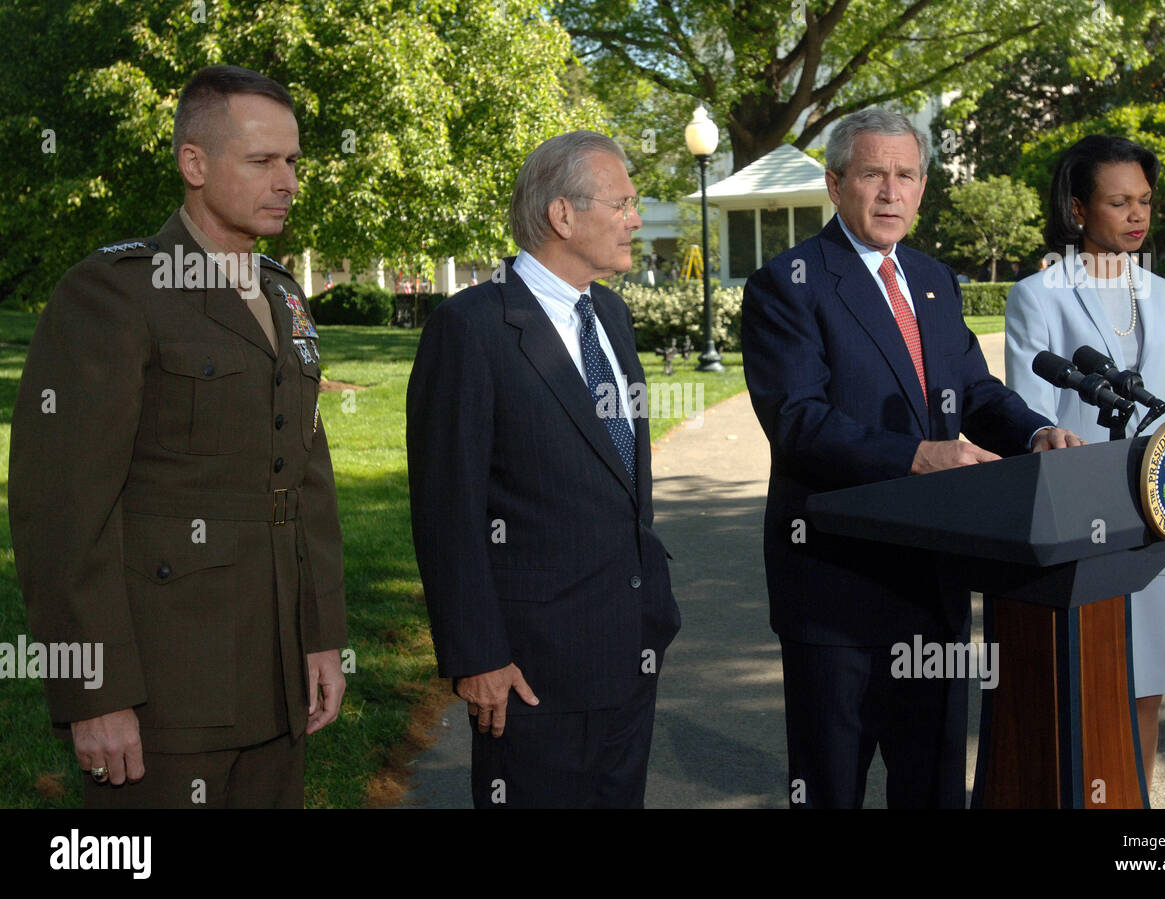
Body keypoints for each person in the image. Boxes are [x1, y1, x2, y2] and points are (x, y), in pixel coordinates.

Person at [8, 65, 347, 808]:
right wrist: (93, 690)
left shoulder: (283, 293)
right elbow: (61, 512)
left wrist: (321, 637)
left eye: (292, 161)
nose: (286, 180)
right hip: (166, 691)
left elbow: (305, 481)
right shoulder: (113, 292)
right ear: (194, 163)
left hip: (276, 677)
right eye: (261, 161)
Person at [742, 108, 1082, 809]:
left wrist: (1036, 434)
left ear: (924, 186)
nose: (891, 192)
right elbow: (798, 422)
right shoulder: (788, 283)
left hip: (935, 585)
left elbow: (978, 391)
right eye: (873, 174)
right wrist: (917, 456)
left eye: (906, 175)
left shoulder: (933, 279)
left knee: (932, 790)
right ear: (836, 185)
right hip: (836, 590)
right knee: (833, 788)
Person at [407, 131, 679, 808]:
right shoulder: (470, 328)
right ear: (563, 216)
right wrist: (476, 656)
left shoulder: (610, 315)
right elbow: (448, 511)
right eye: (622, 203)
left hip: (629, 651)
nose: (636, 219)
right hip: (531, 674)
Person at [1004, 134, 1165, 790]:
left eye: (1144, 200)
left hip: (1158, 527)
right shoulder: (1040, 295)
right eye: (1118, 201)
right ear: (1077, 207)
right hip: (1079, 534)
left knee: (1146, 693)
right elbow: (1031, 422)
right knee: (1083, 696)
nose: (1136, 215)